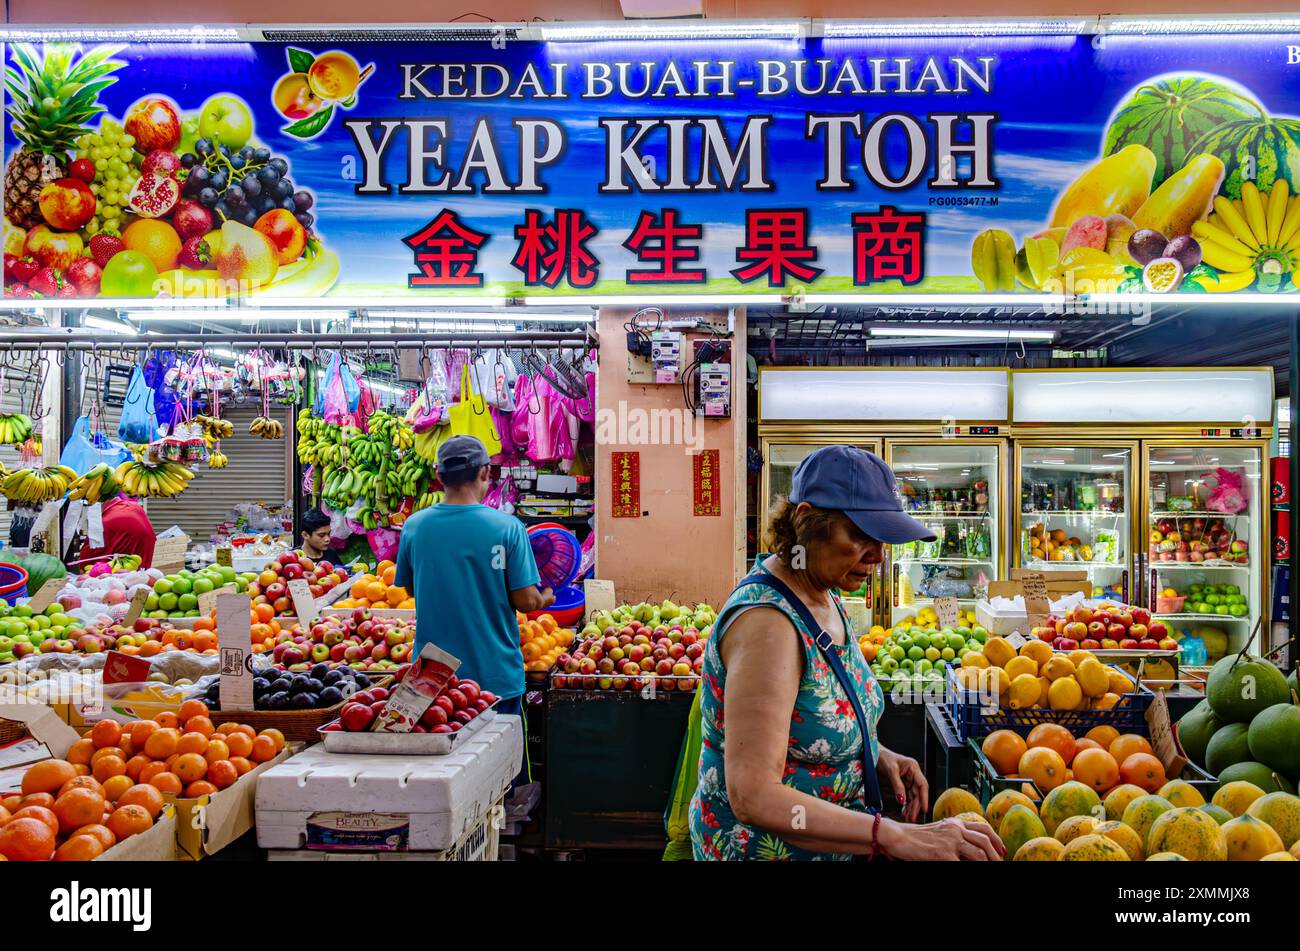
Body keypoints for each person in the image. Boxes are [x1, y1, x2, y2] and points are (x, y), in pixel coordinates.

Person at [689, 446, 1004, 861]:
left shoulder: (822, 594)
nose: (877, 555)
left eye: (882, 539)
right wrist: (893, 835)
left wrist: (876, 754)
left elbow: (814, 721)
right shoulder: (769, 624)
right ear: (804, 522)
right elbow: (753, 796)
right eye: (860, 536)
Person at [394, 435, 554, 717]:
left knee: (439, 758)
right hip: (495, 676)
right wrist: (545, 597)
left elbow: (408, 588)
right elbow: (527, 601)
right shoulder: (508, 528)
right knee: (499, 758)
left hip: (432, 677)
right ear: (485, 472)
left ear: (437, 475)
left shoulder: (414, 527)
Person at [78, 493, 157, 569]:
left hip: (118, 577)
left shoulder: (103, 524)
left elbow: (85, 562)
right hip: (144, 573)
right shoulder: (135, 507)